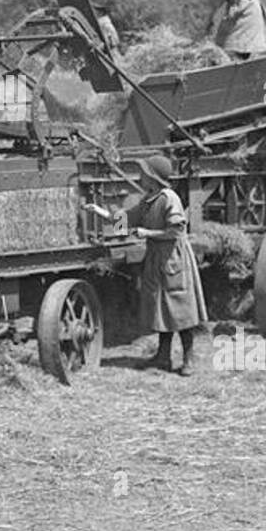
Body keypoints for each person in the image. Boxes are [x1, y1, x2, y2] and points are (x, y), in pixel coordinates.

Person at [86, 154, 207, 375]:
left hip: (173, 258)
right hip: (156, 257)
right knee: (161, 307)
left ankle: (189, 357)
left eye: (143, 173)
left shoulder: (169, 198)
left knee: (180, 307)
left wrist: (147, 232)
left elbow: (177, 230)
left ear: (153, 177)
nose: (140, 176)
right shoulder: (149, 198)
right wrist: (101, 212)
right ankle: (163, 357)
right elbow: (127, 219)